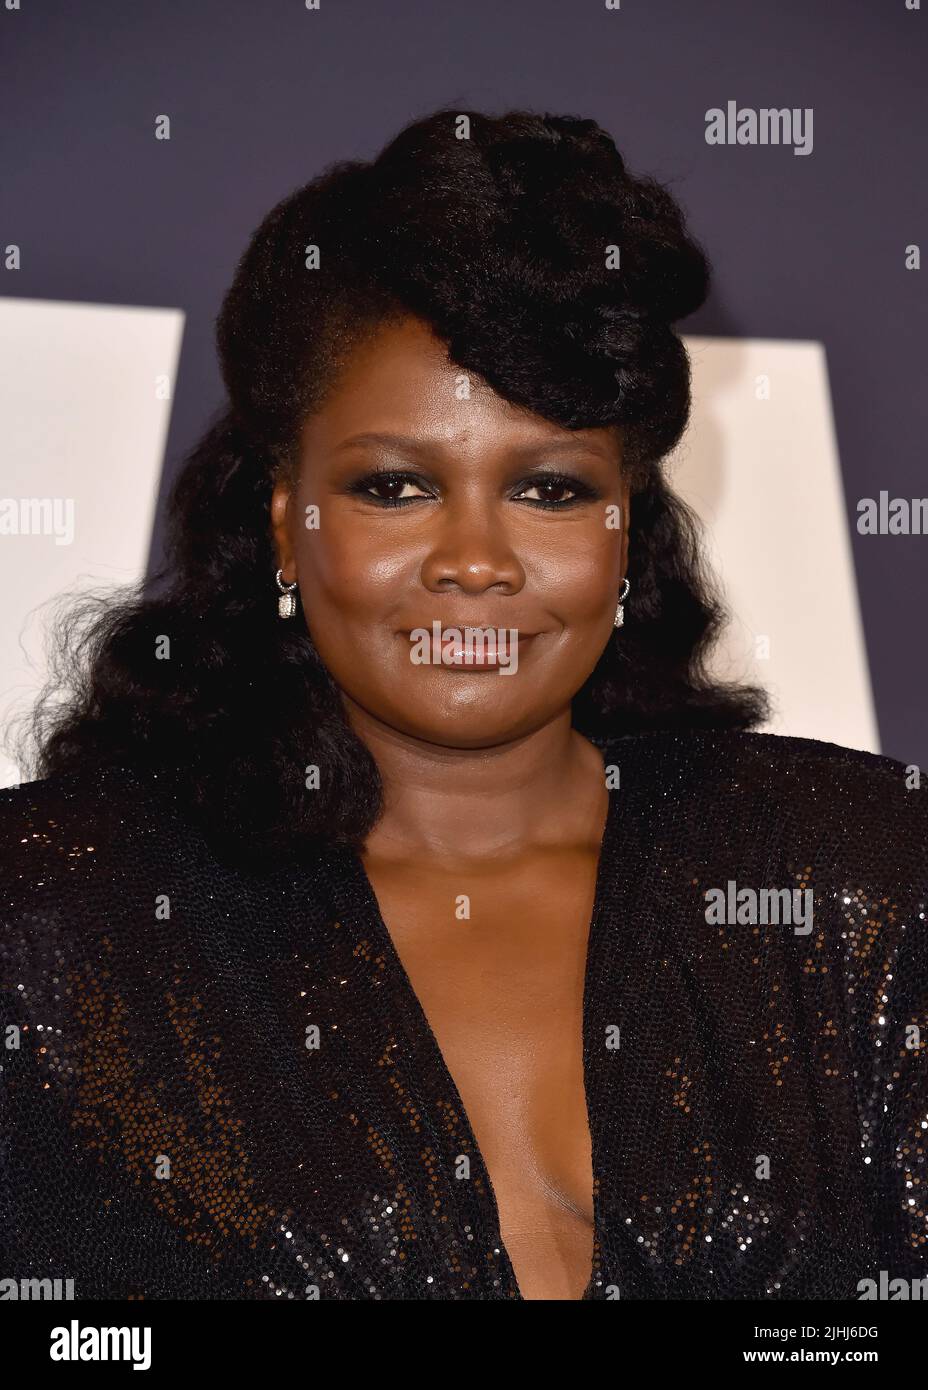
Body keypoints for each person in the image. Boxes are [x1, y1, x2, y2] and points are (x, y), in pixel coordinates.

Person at [1, 107, 925, 1302]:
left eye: (548, 487)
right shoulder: (55, 925)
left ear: (624, 529)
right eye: (395, 485)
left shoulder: (858, 871)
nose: (474, 560)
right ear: (288, 519)